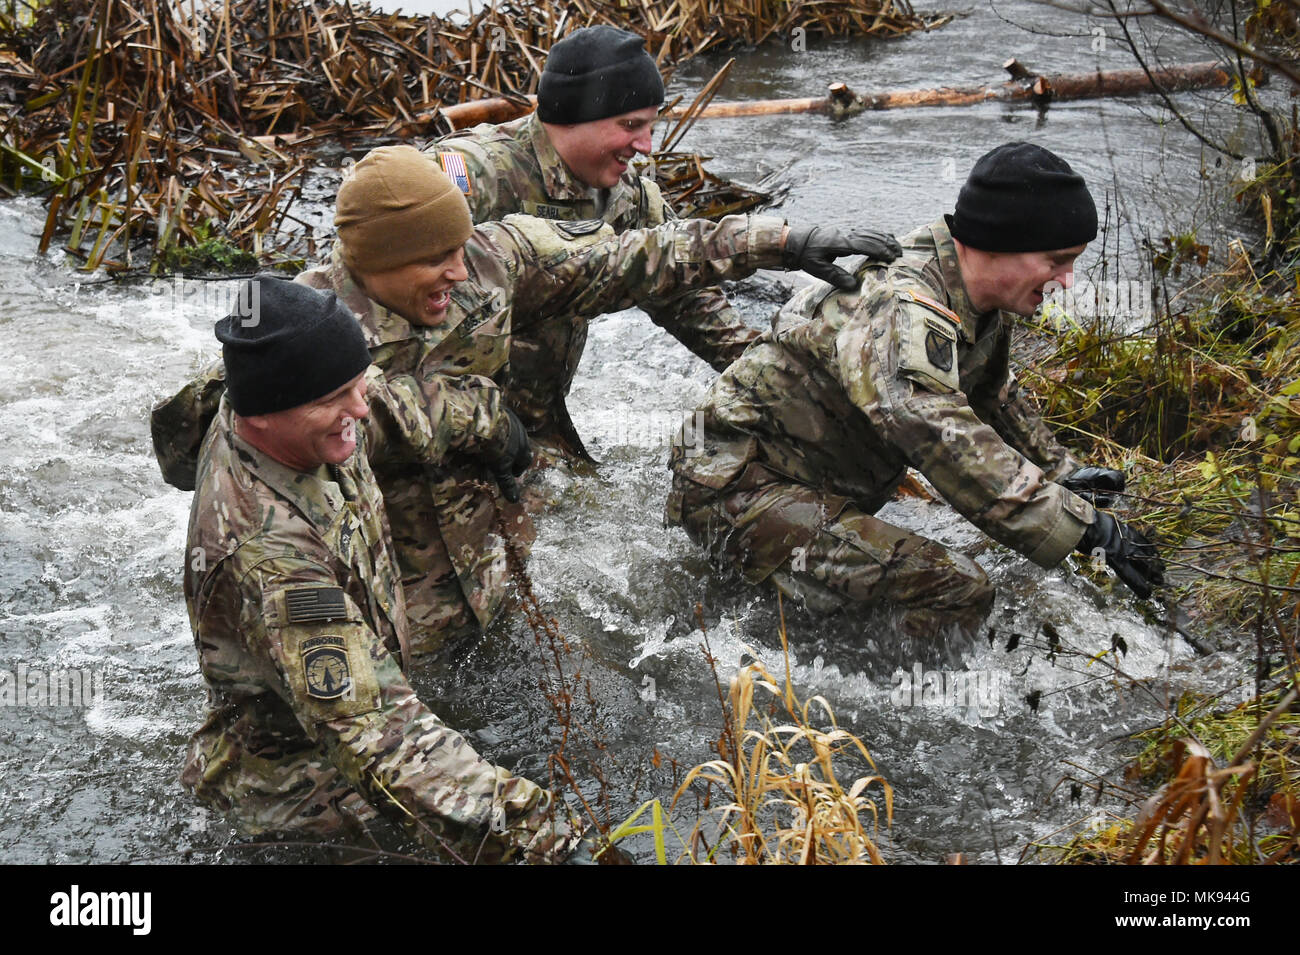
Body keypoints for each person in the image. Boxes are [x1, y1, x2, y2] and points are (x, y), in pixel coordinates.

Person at [152, 145, 901, 658]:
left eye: (459, 247)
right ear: (372, 264)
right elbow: (219, 449)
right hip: (383, 615)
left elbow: (637, 256)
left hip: (492, 572)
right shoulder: (301, 340)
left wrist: (781, 240)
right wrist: (477, 415)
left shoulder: (490, 258)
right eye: (433, 258)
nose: (458, 271)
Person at [666, 142, 1164, 638]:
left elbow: (992, 395)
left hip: (796, 480)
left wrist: (1063, 475)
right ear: (1000, 241)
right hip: (736, 488)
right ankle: (874, 699)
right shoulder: (905, 306)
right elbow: (935, 431)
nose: (1068, 280)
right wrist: (1079, 526)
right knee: (957, 589)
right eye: (1056, 261)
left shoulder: (973, 289)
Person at [179, 276, 596, 863]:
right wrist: (550, 841)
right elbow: (378, 735)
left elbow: (393, 404)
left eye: (357, 384)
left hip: (352, 738)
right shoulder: (270, 560)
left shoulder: (285, 405)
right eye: (336, 398)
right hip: (307, 814)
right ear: (267, 414)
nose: (359, 407)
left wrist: (493, 426)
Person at [430, 24, 759, 457]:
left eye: (651, 126)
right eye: (630, 125)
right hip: (451, 427)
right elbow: (385, 300)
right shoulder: (469, 175)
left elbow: (685, 295)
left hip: (540, 422)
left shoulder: (626, 197)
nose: (645, 146)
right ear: (575, 117)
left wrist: (763, 374)